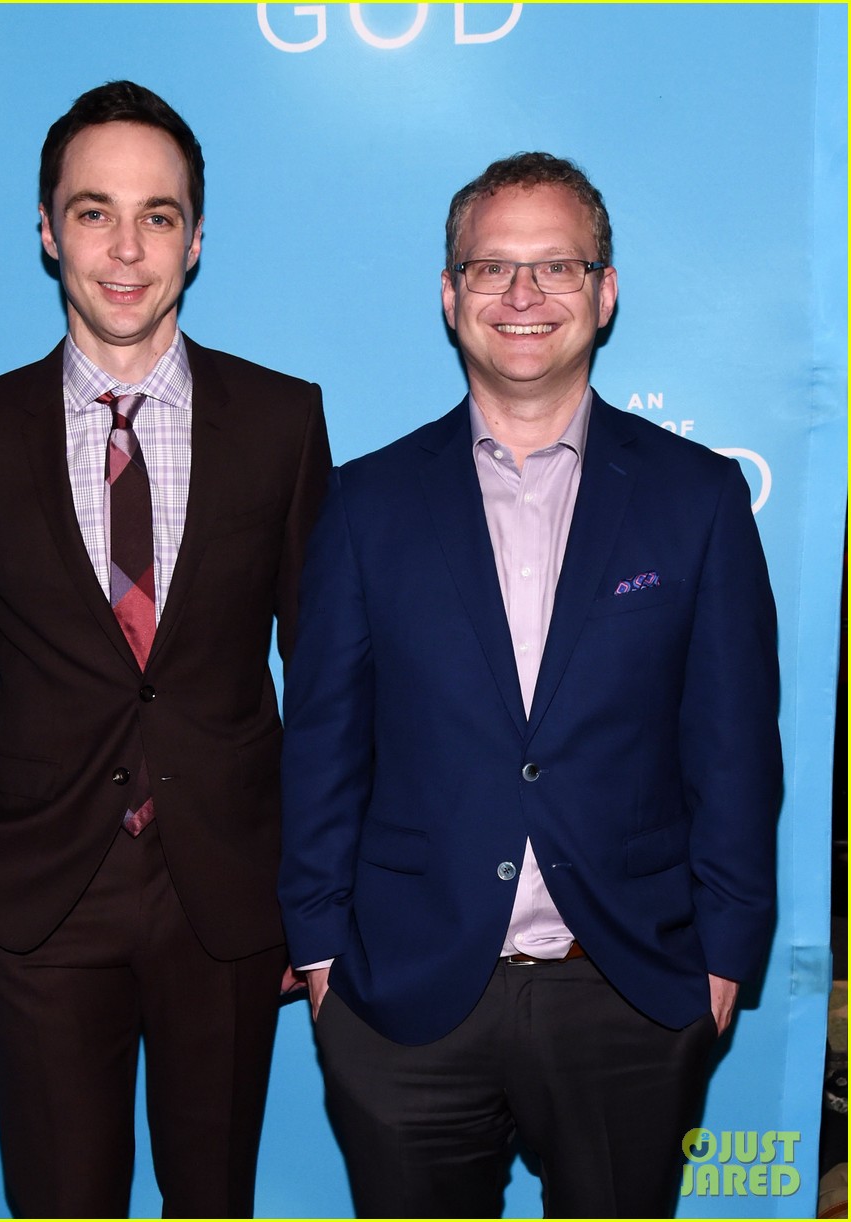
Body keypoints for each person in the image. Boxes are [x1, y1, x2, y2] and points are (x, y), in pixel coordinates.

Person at [278, 152, 780, 1218]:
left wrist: (724, 953)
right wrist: (318, 949)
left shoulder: (696, 500)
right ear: (449, 294)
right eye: (491, 268)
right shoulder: (364, 504)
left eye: (554, 266)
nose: (521, 296)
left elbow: (734, 747)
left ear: (603, 292)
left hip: (629, 991)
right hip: (403, 992)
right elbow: (324, 741)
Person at [0, 80, 330, 1219]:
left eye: (157, 215)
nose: (125, 249)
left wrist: (314, 891)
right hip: (36, 899)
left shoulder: (281, 422)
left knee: (213, 1201)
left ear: (195, 236)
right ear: (46, 230)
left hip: (228, 900)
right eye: (92, 212)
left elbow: (328, 676)